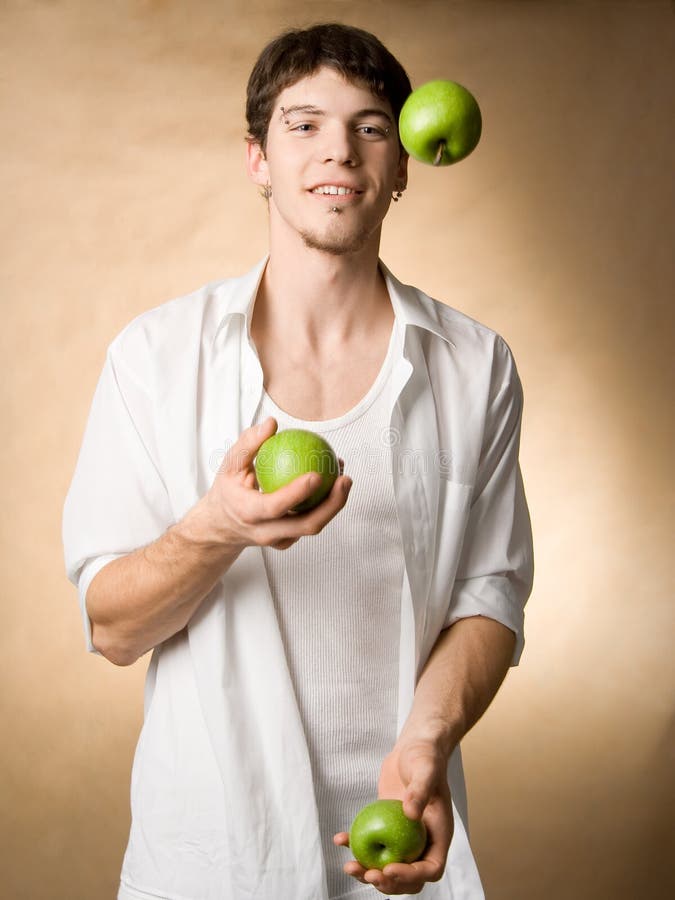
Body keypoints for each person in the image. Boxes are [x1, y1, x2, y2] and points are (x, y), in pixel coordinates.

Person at [63, 22, 533, 900]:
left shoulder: (476, 367)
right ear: (257, 161)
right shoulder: (156, 359)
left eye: (370, 127)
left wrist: (425, 746)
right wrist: (215, 530)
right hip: (213, 859)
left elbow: (489, 595)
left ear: (401, 166)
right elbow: (111, 626)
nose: (338, 152)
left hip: (406, 847)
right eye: (303, 123)